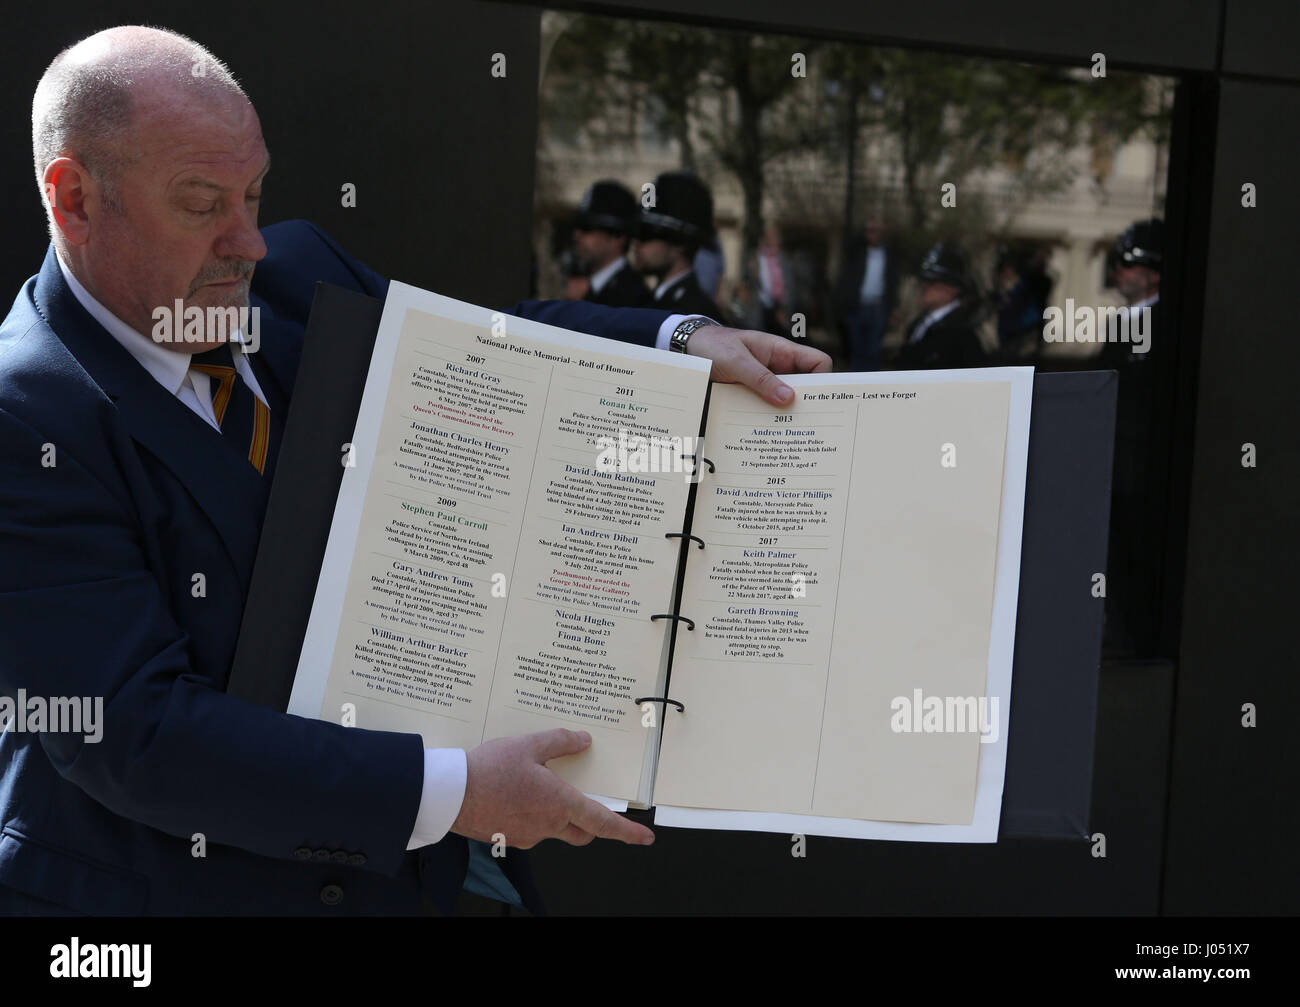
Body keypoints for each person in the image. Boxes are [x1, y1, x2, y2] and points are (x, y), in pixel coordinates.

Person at [0, 26, 831, 916]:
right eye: (203, 203)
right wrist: (452, 791)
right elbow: (133, 734)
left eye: (254, 192)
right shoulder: (25, 415)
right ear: (75, 198)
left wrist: (677, 341)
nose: (250, 243)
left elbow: (492, 349)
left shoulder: (295, 277)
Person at [1098, 218, 1164, 656]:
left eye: (1130, 264)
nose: (1120, 271)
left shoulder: (1163, 324)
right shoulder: (1124, 321)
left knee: (1139, 567)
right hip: (1116, 466)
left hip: (1143, 473)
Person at [634, 171, 728, 322]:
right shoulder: (652, 300)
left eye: (647, 233)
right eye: (636, 232)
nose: (637, 242)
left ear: (681, 242)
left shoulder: (695, 317)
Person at [892, 242, 986, 370]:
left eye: (933, 282)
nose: (924, 287)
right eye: (923, 280)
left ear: (954, 288)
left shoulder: (964, 331)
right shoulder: (918, 324)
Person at [571, 180, 651, 308]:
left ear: (617, 237)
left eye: (587, 228)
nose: (577, 235)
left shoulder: (632, 297)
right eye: (577, 227)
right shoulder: (590, 287)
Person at [834, 218, 899, 371]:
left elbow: (893, 282)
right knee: (856, 348)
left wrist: (894, 307)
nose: (872, 234)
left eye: (876, 231)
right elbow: (849, 240)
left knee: (873, 349)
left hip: (878, 306)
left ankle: (872, 385)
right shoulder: (857, 251)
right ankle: (856, 383)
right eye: (869, 231)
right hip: (857, 305)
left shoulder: (889, 253)